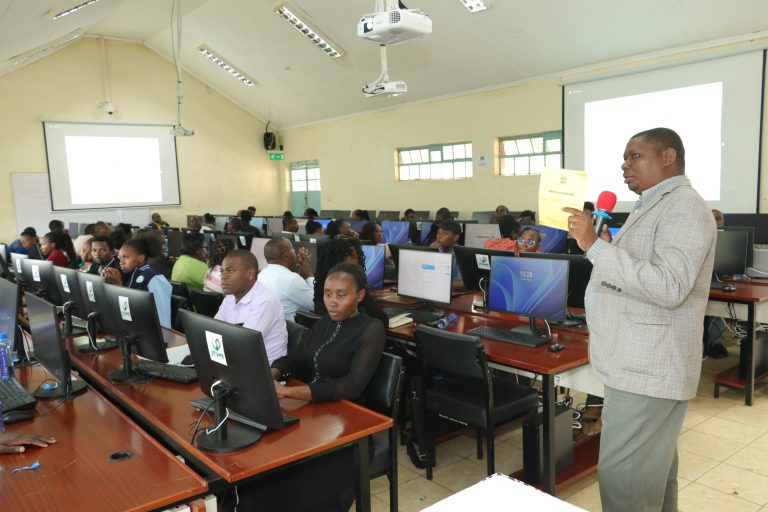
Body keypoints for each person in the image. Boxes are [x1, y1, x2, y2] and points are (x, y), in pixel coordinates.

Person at [564, 127, 715, 512]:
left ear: (668, 157)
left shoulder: (683, 206)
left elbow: (669, 285)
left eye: (635, 156)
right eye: (625, 157)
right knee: (650, 479)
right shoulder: (656, 202)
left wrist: (595, 247)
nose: (624, 164)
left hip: (648, 369)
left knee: (625, 483)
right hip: (637, 364)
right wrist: (609, 248)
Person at [220, 263, 385, 512]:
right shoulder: (324, 323)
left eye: (342, 295)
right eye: (328, 294)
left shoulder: (372, 329)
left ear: (360, 296)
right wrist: (272, 373)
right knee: (261, 466)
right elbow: (296, 359)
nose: (333, 302)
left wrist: (289, 392)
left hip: (348, 425)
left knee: (299, 485)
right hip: (313, 412)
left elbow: (351, 386)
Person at [214, 249, 288, 364]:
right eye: (222, 271)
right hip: (236, 361)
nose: (223, 276)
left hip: (263, 370)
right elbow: (213, 329)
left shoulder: (265, 301)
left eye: (230, 270)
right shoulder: (230, 296)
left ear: (250, 274)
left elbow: (244, 344)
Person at [313, 238, 389, 327]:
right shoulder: (353, 289)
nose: (359, 261)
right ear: (349, 260)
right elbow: (383, 320)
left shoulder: (322, 287)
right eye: (357, 257)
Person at [103, 238, 173, 328]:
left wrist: (118, 284)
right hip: (133, 330)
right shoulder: (131, 275)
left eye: (126, 257)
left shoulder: (153, 278)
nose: (121, 262)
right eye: (120, 258)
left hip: (153, 334)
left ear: (140, 258)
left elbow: (162, 319)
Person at [258, 238, 315, 321]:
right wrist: (309, 274)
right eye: (292, 248)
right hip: (296, 330)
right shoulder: (291, 279)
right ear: (285, 256)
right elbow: (316, 304)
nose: (295, 251)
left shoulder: (262, 274)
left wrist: (301, 276)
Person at [429, 219, 464, 290]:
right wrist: (429, 253)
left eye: (445, 233)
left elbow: (461, 283)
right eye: (438, 233)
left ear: (455, 237)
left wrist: (435, 283)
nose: (439, 236)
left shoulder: (460, 254)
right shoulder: (436, 250)